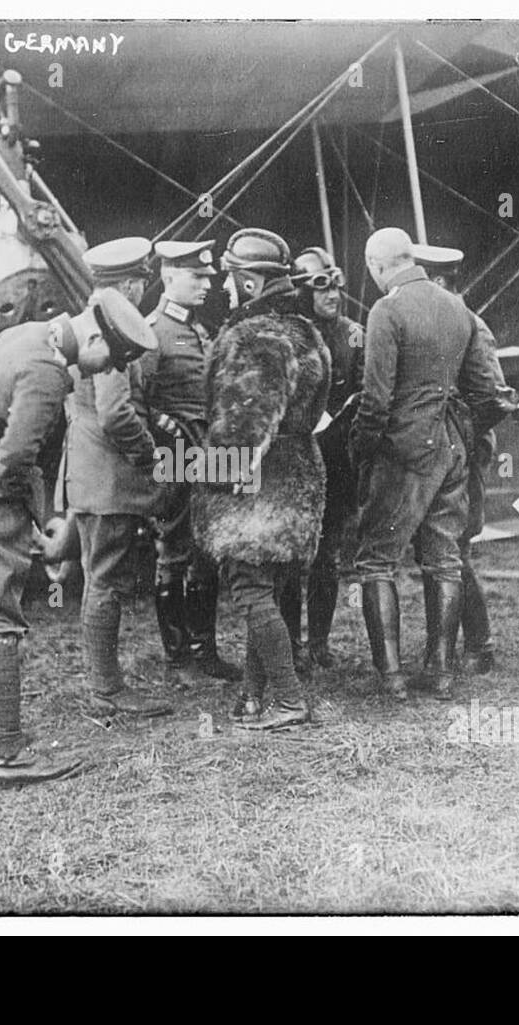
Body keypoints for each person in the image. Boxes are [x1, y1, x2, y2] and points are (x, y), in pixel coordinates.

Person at [0, 288, 158, 786]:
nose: (96, 371)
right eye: (104, 360)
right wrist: (35, 531)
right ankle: (9, 757)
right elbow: (13, 463)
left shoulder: (25, 335)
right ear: (92, 334)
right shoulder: (48, 370)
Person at [350, 228, 509, 701]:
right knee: (445, 559)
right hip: (453, 448)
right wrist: (460, 434)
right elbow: (487, 391)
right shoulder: (458, 309)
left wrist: (361, 449)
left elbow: (375, 399)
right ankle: (440, 671)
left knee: (377, 560)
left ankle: (391, 678)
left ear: (377, 266)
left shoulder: (388, 309)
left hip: (402, 452)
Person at [192, 229, 330, 730]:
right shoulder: (304, 330)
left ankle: (290, 701)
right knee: (266, 586)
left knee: (249, 586)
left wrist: (198, 474)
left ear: (249, 283)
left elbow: (242, 430)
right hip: (296, 474)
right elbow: (312, 411)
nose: (224, 290)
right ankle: (253, 696)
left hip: (257, 485)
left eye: (230, 279)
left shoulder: (254, 337)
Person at [64, 238, 173, 717]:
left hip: (93, 472)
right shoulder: (112, 329)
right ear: (130, 283)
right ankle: (107, 690)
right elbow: (115, 414)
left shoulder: (86, 323)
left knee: (100, 577)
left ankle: (104, 685)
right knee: (105, 580)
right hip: (109, 476)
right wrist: (151, 457)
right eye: (141, 282)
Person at [142, 239, 241, 684]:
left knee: (207, 552)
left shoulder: (203, 331)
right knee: (175, 550)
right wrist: (171, 432)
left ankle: (206, 652)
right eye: (196, 276)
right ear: (168, 277)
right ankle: (179, 659)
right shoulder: (150, 332)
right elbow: (137, 404)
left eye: (208, 275)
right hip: (176, 457)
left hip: (209, 454)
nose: (208, 283)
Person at [411, 243, 507, 675]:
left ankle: (477, 647)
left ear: (437, 283)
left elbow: (492, 398)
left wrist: (457, 437)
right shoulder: (438, 324)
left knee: (453, 550)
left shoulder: (468, 325)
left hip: (461, 456)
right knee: (439, 550)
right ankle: (443, 647)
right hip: (444, 454)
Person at [278, 246, 363, 672]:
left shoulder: (353, 335)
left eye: (337, 282)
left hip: (337, 461)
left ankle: (320, 643)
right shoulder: (289, 336)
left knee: (328, 555)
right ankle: (292, 643)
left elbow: (367, 391)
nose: (333, 293)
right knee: (292, 555)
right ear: (301, 290)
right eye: (321, 284)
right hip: (295, 460)